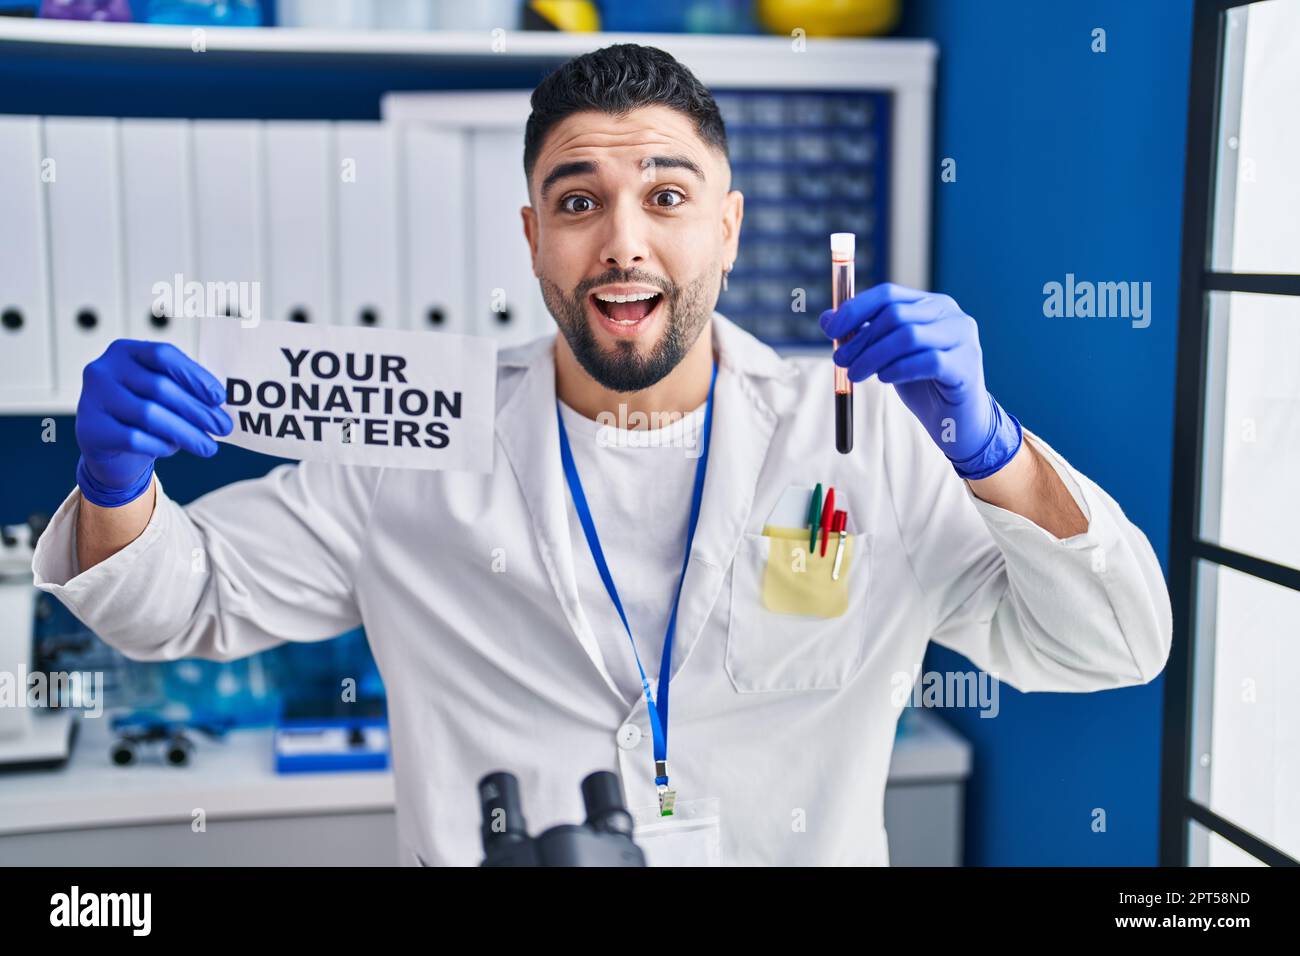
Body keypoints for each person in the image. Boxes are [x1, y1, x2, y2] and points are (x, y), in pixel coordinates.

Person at [32, 44, 1171, 866]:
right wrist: (115, 483)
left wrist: (993, 449)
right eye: (579, 200)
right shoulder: (416, 434)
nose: (623, 237)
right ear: (533, 236)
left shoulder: (863, 432)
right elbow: (178, 605)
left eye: (665, 195)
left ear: (725, 225)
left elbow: (1113, 642)